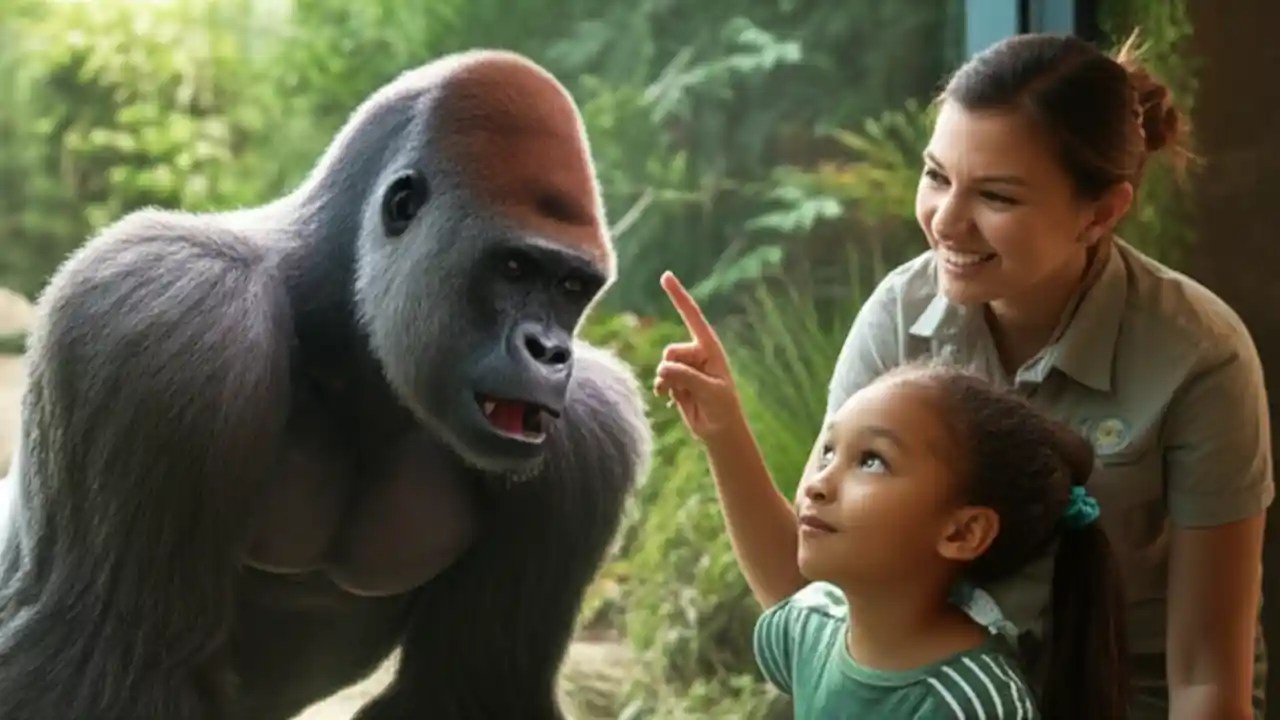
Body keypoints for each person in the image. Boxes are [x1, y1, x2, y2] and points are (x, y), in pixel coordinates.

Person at [653, 30, 1272, 720]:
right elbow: (814, 594)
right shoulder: (899, 314)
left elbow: (1206, 680)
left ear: (1100, 213)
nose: (946, 222)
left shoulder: (1200, 356)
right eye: (936, 176)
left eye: (997, 197)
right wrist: (723, 430)